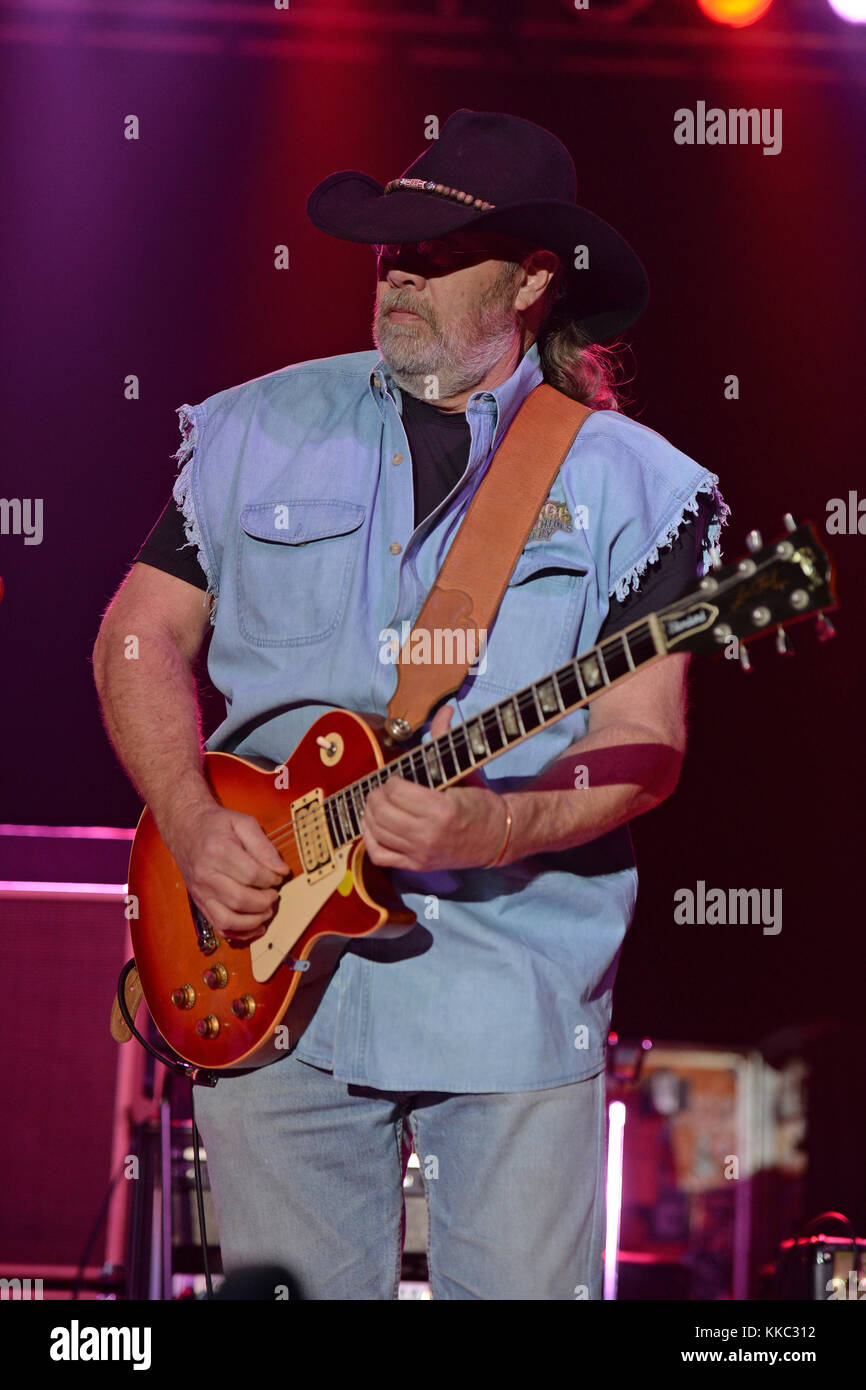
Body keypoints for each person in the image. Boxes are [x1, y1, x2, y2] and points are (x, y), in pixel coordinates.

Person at [93, 109, 728, 1300]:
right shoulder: (252, 428)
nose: (398, 274)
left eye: (439, 254)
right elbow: (138, 632)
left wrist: (494, 826)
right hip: (262, 973)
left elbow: (641, 741)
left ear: (533, 280)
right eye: (391, 249)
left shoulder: (640, 489)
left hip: (508, 993)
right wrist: (184, 810)